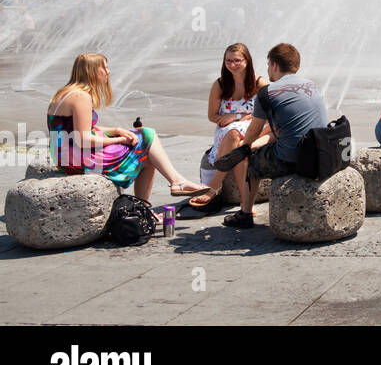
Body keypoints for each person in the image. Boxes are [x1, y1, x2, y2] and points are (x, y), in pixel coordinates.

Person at [46, 52, 206, 202]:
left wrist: (116, 130)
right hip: (78, 159)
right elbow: (84, 140)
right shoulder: (81, 97)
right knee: (148, 134)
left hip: (65, 157)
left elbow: (81, 129)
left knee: (149, 159)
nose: (108, 72)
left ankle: (144, 209)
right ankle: (177, 181)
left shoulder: (66, 92)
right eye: (104, 67)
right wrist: (119, 140)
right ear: (93, 71)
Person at [214, 43, 328, 228]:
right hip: (318, 153)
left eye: (268, 65)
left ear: (274, 65)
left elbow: (253, 130)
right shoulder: (312, 85)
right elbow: (284, 129)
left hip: (292, 160)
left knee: (252, 161)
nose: (267, 69)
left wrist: (245, 149)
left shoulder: (267, 93)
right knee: (260, 148)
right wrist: (255, 144)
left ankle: (244, 213)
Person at [187, 43, 269, 213]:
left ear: (247, 61)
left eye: (237, 60)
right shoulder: (220, 84)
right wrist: (231, 120)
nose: (232, 65)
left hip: (254, 129)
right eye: (228, 61)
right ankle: (245, 204)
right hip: (226, 132)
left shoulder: (258, 83)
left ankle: (214, 186)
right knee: (235, 140)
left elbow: (272, 111)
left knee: (236, 137)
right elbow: (212, 116)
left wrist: (237, 117)